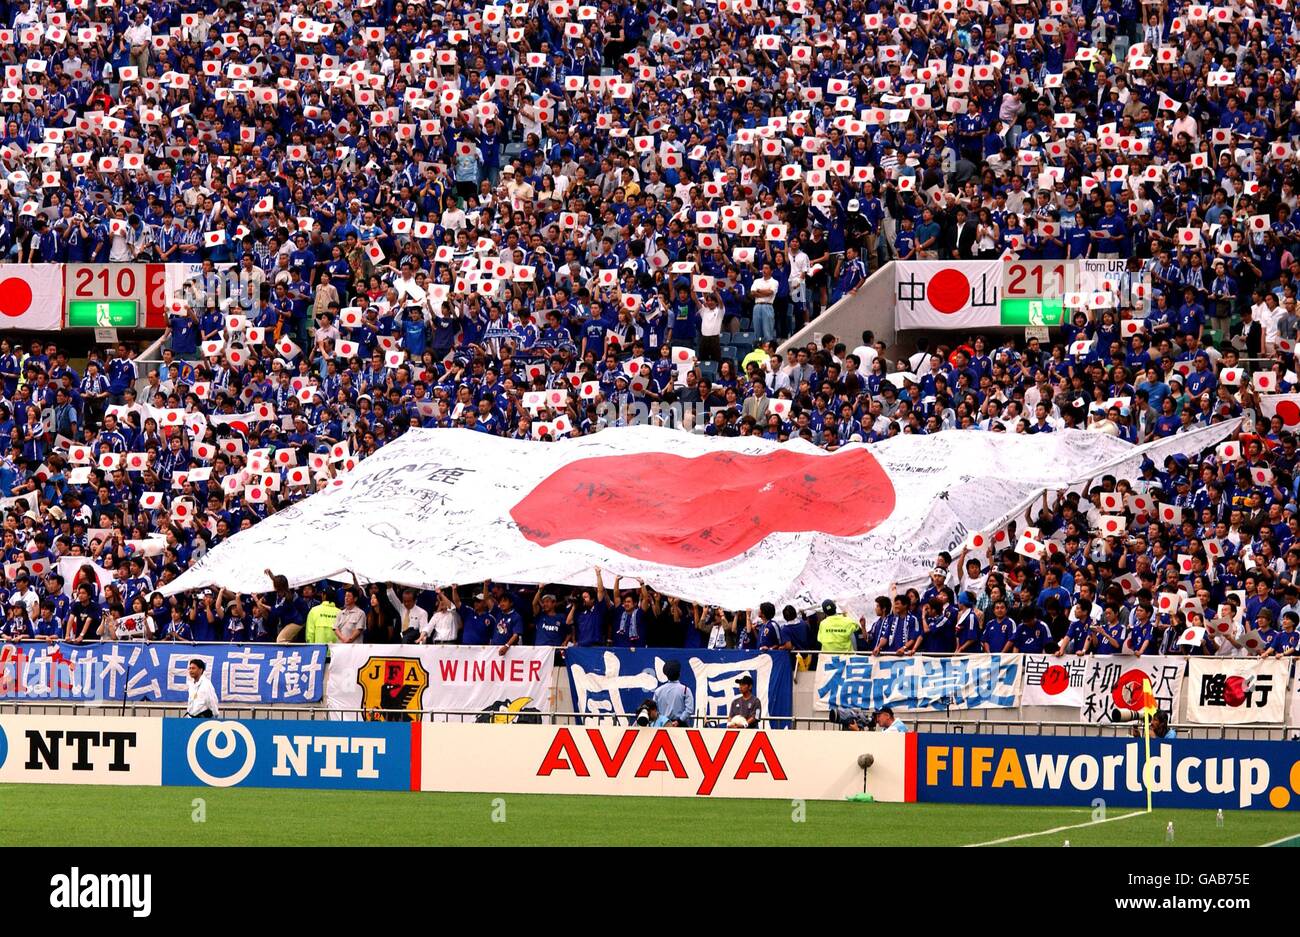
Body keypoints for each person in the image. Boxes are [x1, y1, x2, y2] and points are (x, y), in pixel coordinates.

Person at [652, 659, 694, 727]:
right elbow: (689, 710)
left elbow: (654, 709)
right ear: (679, 674)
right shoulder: (685, 690)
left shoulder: (658, 691)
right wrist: (679, 721)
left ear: (666, 675)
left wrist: (663, 721)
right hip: (680, 725)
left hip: (663, 724)